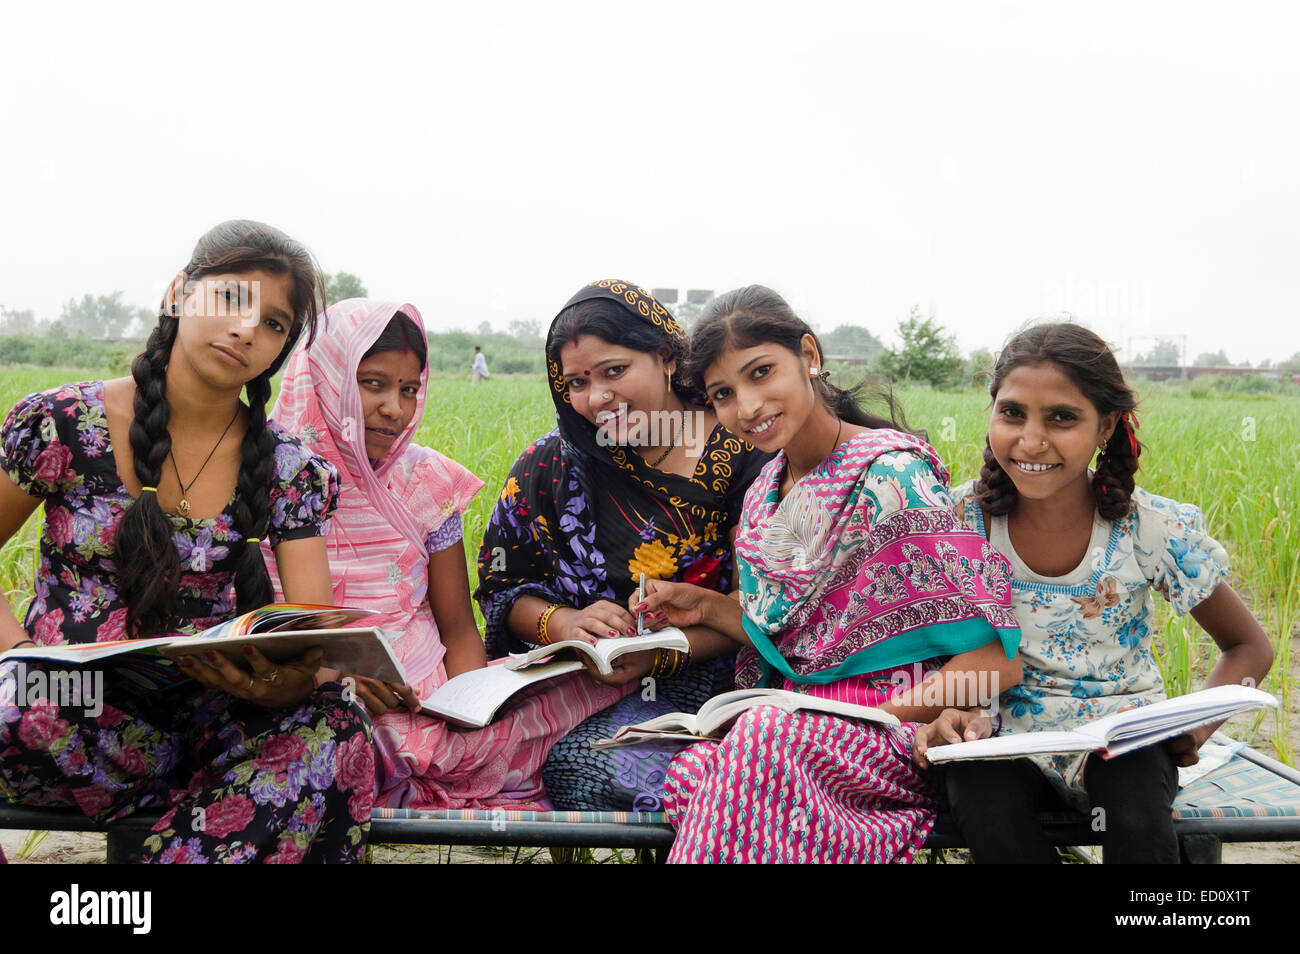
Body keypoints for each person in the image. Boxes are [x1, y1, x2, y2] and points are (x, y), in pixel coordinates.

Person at [0, 220, 374, 864]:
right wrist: (23, 656)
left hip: (213, 707)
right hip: (65, 706)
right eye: (232, 300)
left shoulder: (288, 467)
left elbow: (314, 632)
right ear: (179, 293)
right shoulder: (65, 424)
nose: (247, 331)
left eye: (275, 325)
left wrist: (285, 684)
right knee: (16, 698)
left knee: (336, 725)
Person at [637, 285, 1022, 863]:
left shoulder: (894, 478)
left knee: (758, 749)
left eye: (761, 372)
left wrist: (869, 716)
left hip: (898, 731)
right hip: (788, 729)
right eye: (723, 393)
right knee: (701, 768)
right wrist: (711, 607)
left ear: (810, 357)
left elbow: (997, 663)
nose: (747, 406)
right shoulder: (764, 497)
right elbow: (807, 644)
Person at [914, 322, 1273, 863]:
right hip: (1003, 737)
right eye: (1012, 412)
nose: (1031, 440)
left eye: (1062, 417)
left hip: (1119, 741)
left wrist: (1192, 732)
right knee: (983, 799)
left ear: (1105, 426)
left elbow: (1248, 647)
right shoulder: (960, 522)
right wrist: (943, 710)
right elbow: (930, 645)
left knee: (1132, 803)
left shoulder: (1147, 529)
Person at [268, 298, 628, 808]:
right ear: (323, 377)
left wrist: (469, 709)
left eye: (410, 389)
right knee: (334, 741)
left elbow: (458, 625)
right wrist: (328, 679)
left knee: (591, 688)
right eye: (372, 383)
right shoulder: (271, 477)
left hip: (425, 694)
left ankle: (440, 757)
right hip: (311, 688)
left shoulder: (427, 482)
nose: (395, 408)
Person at [474, 279, 771, 810]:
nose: (598, 398)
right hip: (573, 675)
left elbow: (762, 612)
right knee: (458, 751)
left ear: (664, 356)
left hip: (714, 677)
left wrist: (660, 654)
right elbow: (502, 588)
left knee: (588, 769)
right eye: (578, 383)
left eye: (615, 371)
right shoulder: (550, 466)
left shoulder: (746, 452)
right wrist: (560, 623)